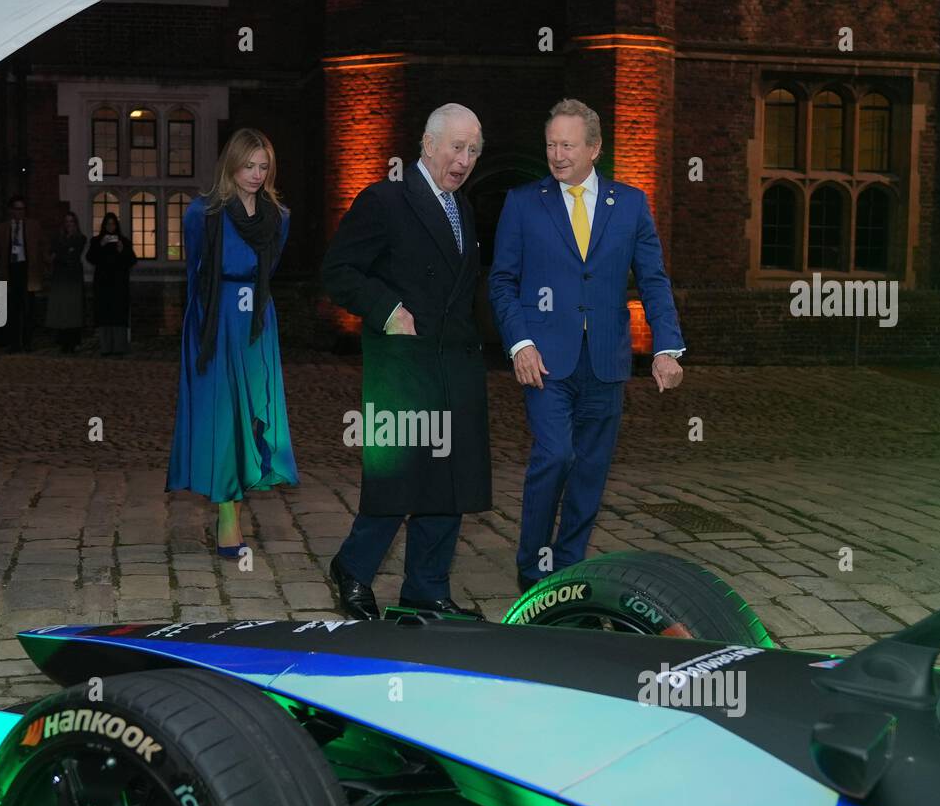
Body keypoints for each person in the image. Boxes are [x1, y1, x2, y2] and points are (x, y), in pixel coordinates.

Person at [489, 98, 686, 593]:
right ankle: (534, 570)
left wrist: (667, 347)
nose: (557, 155)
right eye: (551, 144)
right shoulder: (523, 202)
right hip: (544, 360)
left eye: (568, 145)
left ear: (594, 148)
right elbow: (502, 281)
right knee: (554, 456)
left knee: (590, 469)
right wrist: (520, 344)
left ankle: (569, 569)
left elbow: (654, 280)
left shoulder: (632, 204)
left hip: (606, 360)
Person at [321, 103, 491, 620]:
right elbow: (337, 271)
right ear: (428, 144)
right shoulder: (384, 200)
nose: (464, 160)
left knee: (449, 484)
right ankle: (353, 567)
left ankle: (425, 586)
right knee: (398, 481)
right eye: (457, 147)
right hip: (404, 366)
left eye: (474, 150)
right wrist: (387, 310)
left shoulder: (464, 209)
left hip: (454, 366)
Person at [166, 128, 297, 557]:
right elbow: (195, 274)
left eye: (264, 167)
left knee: (251, 415)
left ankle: (237, 501)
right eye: (248, 166)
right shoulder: (202, 213)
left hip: (257, 324)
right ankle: (228, 519)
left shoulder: (278, 216)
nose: (256, 175)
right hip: (214, 325)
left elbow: (269, 271)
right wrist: (198, 334)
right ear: (231, 165)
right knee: (223, 420)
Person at [0, 194, 44, 352]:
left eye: (22, 209)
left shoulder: (34, 226)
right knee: (12, 308)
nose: (20, 212)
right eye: (17, 209)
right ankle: (14, 343)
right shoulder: (2, 228)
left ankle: (27, 342)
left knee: (29, 309)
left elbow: (42, 246)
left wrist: (47, 262)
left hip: (28, 269)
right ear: (11, 210)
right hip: (11, 270)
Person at [86, 212, 137, 356]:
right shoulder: (96, 241)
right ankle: (106, 347)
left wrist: (122, 251)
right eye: (108, 223)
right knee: (104, 317)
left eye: (113, 223)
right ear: (104, 225)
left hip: (119, 286)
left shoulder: (124, 241)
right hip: (103, 285)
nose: (110, 226)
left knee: (118, 317)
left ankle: (120, 347)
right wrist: (100, 246)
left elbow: (132, 260)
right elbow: (90, 258)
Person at [46, 211, 87, 353]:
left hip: (73, 277)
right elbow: (51, 256)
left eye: (71, 222)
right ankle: (63, 341)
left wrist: (59, 254)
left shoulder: (80, 238)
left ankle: (73, 341)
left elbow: (72, 255)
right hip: (60, 277)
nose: (69, 224)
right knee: (62, 309)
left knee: (73, 309)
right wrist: (61, 254)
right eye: (67, 222)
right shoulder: (58, 238)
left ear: (75, 224)